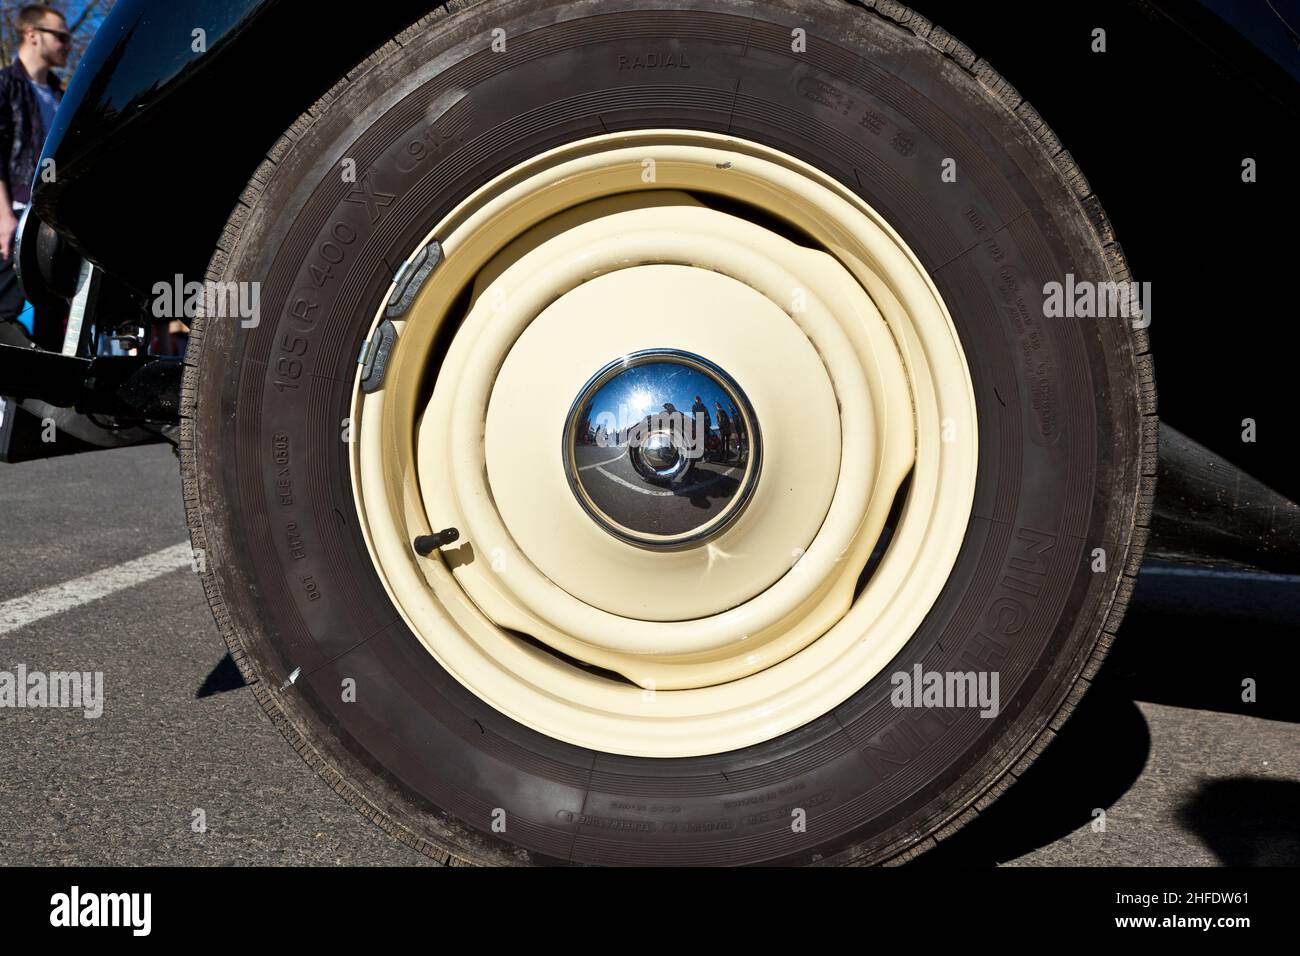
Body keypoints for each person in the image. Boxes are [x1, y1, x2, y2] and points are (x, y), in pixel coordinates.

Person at [0, 4, 70, 351]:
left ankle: (37, 405)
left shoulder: (64, 96)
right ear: (32, 35)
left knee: (50, 326)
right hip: (13, 218)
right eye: (60, 36)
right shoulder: (5, 86)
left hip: (51, 227)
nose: (67, 44)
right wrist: (3, 218)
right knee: (4, 313)